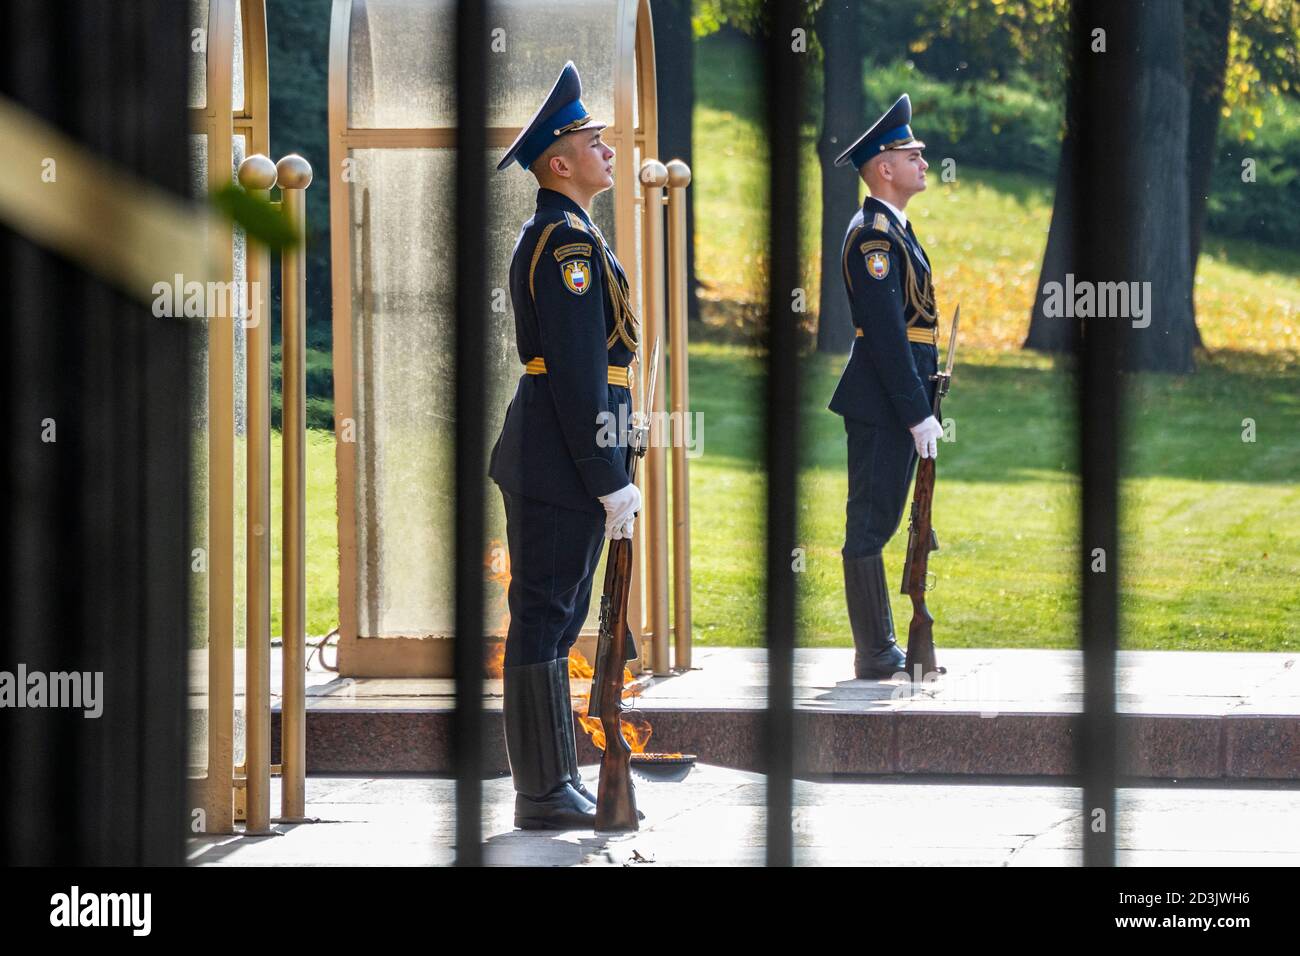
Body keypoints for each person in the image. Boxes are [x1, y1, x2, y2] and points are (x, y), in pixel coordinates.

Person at [490, 61, 641, 829]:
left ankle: (554, 785)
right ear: (559, 162)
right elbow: (580, 376)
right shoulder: (565, 245)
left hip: (561, 453)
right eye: (593, 140)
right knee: (546, 614)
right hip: (558, 459)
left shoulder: (571, 234)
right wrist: (608, 477)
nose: (607, 149)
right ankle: (543, 792)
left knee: (555, 613)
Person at [828, 93, 945, 680]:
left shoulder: (896, 230)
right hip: (883, 404)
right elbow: (886, 336)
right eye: (912, 153)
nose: (924, 161)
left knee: (890, 519)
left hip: (900, 400)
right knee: (870, 524)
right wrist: (915, 412)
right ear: (883, 168)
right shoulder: (873, 236)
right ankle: (875, 651)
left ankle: (884, 645)